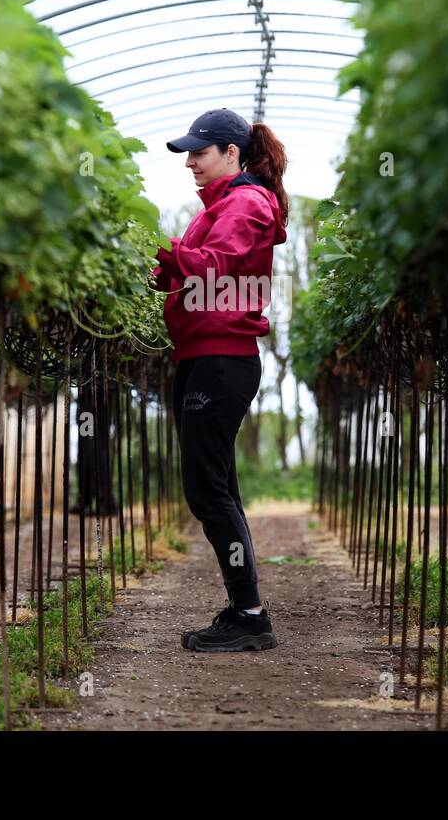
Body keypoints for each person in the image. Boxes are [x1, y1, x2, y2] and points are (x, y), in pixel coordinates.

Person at [151, 108, 288, 652]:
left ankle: (251, 615)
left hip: (222, 359)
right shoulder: (217, 207)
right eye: (188, 153)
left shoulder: (246, 203)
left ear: (232, 153)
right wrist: (164, 267)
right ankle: (244, 608)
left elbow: (214, 265)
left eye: (199, 152)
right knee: (219, 487)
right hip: (202, 356)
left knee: (206, 489)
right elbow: (198, 266)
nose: (190, 162)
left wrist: (167, 253)